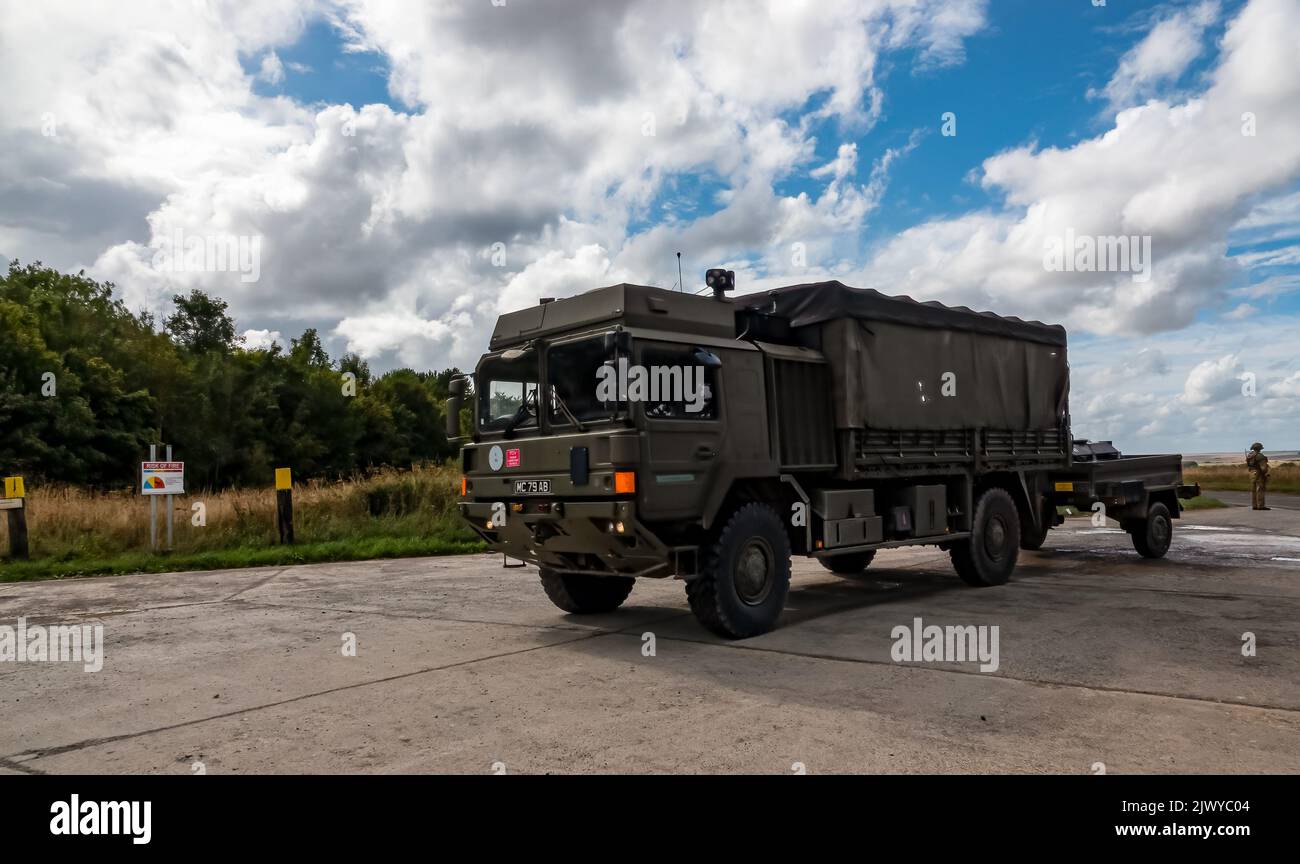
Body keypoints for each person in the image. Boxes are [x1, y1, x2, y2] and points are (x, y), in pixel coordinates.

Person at [1246, 443, 1270, 510]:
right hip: (1259, 474)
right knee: (1260, 489)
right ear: (1259, 448)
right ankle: (1261, 506)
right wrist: (1266, 473)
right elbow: (1263, 467)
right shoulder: (1259, 456)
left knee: (1253, 490)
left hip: (1252, 473)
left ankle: (1254, 505)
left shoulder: (1250, 455)